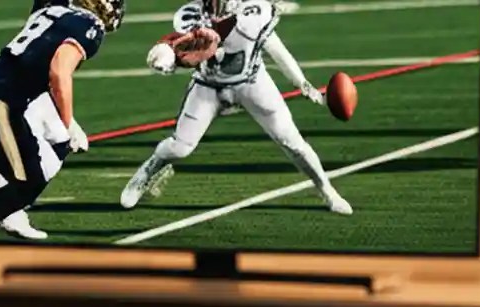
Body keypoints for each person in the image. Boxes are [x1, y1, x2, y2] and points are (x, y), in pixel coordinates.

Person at [120, 0, 351, 215]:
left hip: (251, 83)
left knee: (293, 142)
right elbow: (180, 51)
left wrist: (302, 82)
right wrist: (167, 59)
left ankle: (327, 191)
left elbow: (273, 45)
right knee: (180, 148)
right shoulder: (190, 15)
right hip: (208, 86)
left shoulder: (255, 12)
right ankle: (147, 171)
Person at [0, 0, 125, 239]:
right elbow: (59, 72)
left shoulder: (51, 9)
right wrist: (68, 124)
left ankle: (0, 211)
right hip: (2, 102)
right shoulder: (89, 26)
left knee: (31, 165)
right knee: (27, 180)